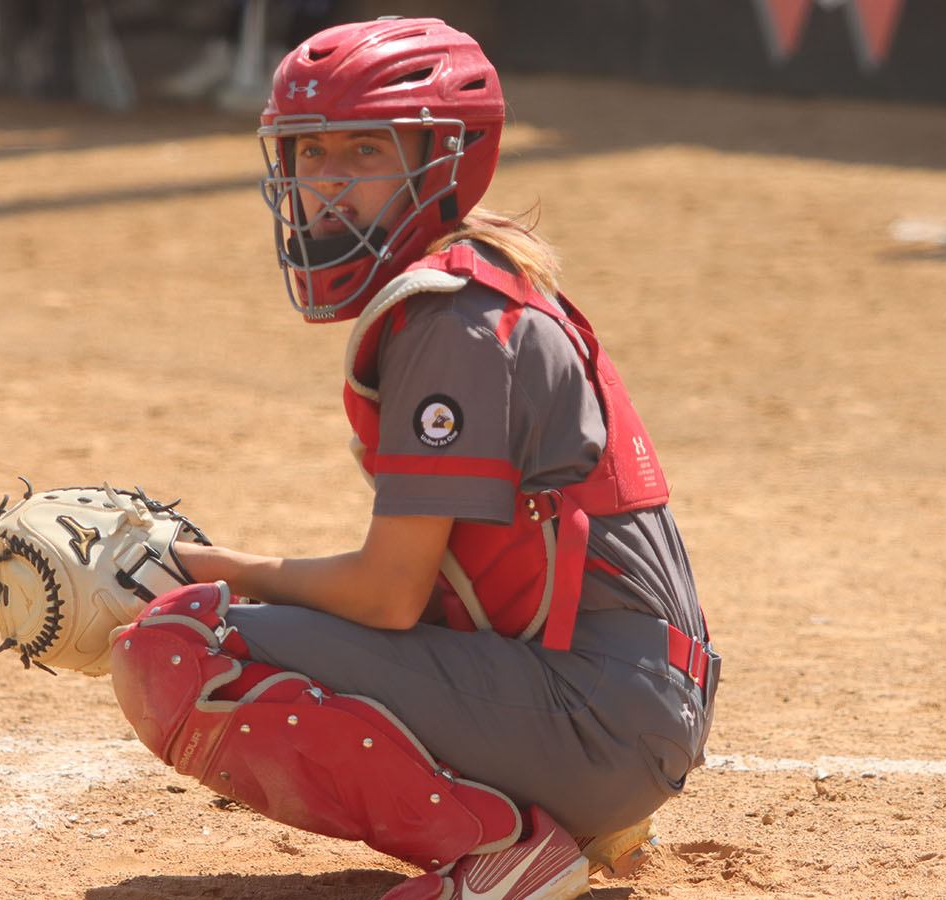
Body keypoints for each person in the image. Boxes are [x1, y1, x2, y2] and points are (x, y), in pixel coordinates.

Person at [109, 17, 719, 900]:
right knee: (242, 623)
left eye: (364, 150)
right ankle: (575, 804)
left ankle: (515, 849)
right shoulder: (474, 283)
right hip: (621, 700)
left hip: (602, 716)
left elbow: (387, 595)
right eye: (311, 155)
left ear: (445, 159)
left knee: (177, 647)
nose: (327, 183)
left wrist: (192, 568)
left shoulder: (450, 321)